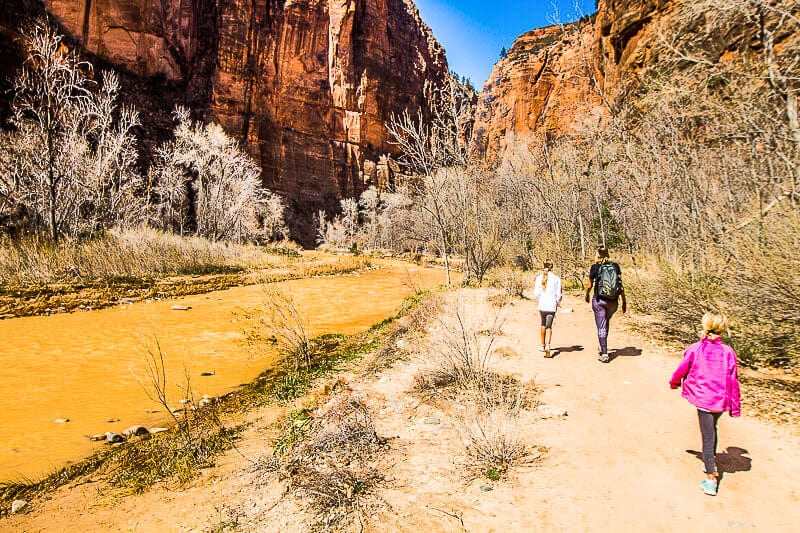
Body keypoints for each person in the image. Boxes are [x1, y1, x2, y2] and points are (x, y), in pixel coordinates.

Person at [669, 312, 741, 496]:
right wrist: (734, 406)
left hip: (704, 400)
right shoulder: (728, 352)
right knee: (712, 430)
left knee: (707, 438)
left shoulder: (696, 349)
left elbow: (682, 368)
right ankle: (710, 461)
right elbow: (733, 380)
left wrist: (674, 382)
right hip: (720, 401)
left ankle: (711, 478)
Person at [584, 247, 626, 362]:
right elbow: (620, 285)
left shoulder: (595, 267)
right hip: (613, 301)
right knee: (606, 321)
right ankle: (603, 345)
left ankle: (604, 352)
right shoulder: (615, 267)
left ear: (597, 255)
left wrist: (586, 295)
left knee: (601, 325)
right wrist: (624, 301)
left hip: (599, 300)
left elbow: (589, 285)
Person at [532, 259, 562, 356]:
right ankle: (548, 345)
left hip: (542, 304)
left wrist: (540, 300)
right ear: (552, 266)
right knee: (549, 325)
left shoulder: (539, 278)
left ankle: (542, 345)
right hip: (551, 304)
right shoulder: (556, 279)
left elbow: (536, 293)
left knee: (543, 323)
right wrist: (557, 302)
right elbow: (559, 293)